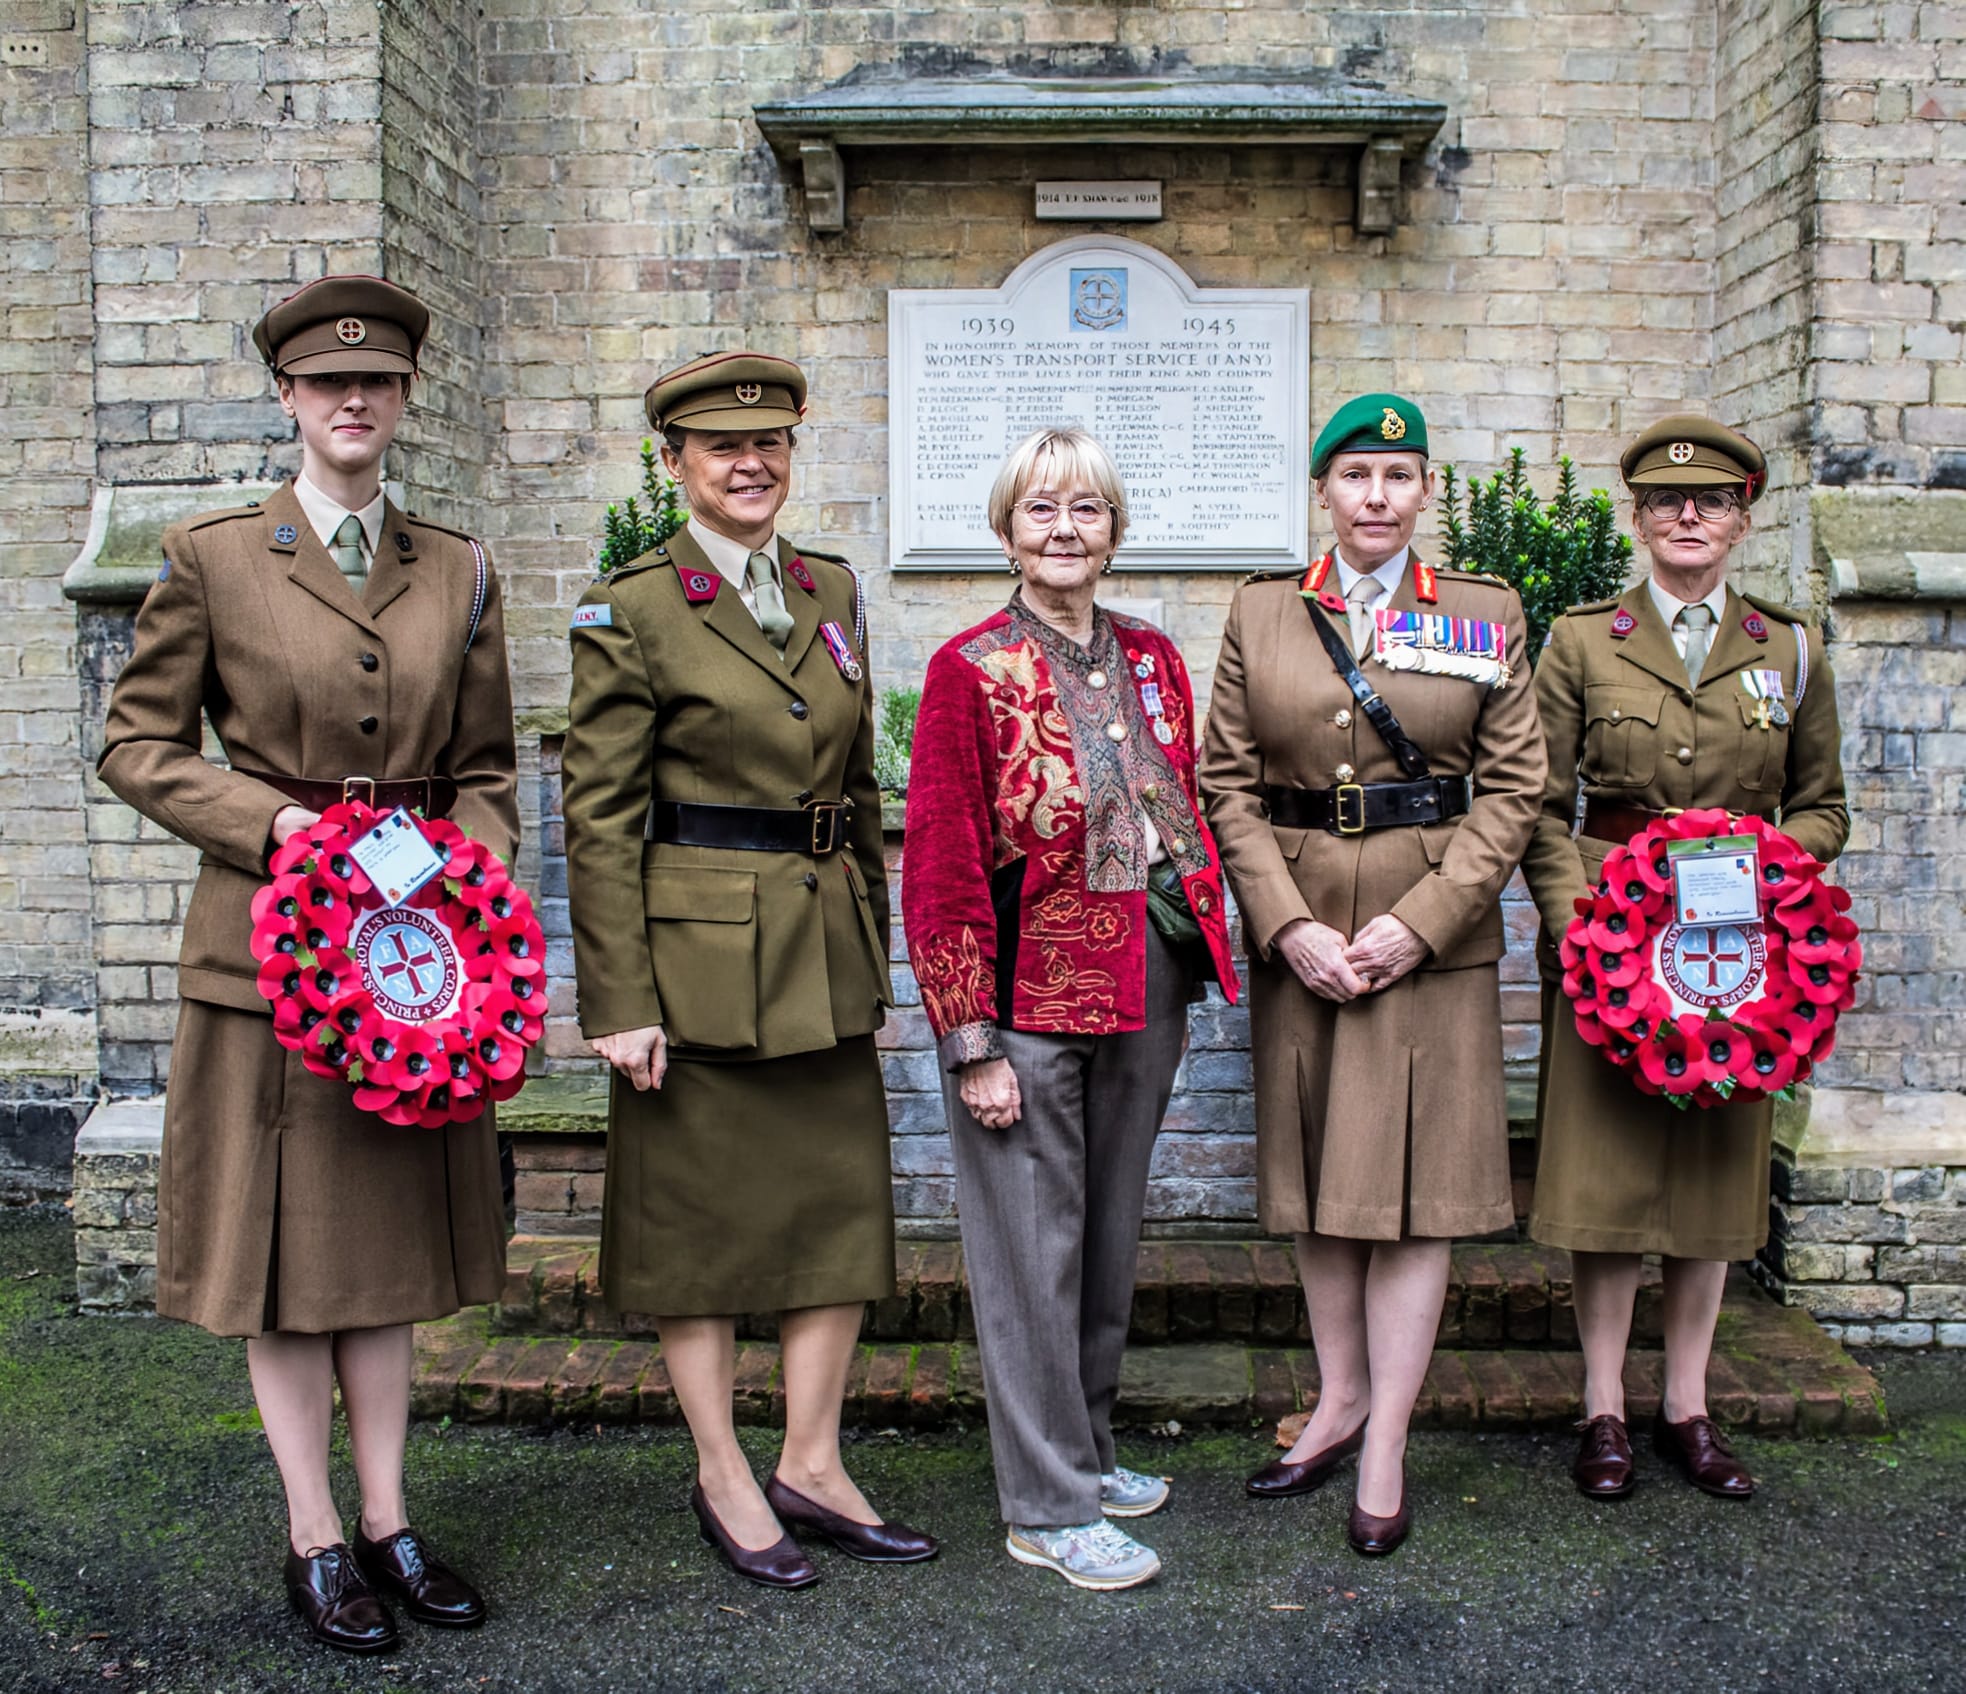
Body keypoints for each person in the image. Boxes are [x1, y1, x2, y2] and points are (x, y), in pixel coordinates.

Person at [98, 275, 517, 1653]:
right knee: (287, 1265)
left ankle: (392, 1520)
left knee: (382, 1261)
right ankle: (314, 1535)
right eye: (329, 383)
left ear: (403, 401)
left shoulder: (456, 567)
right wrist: (276, 824)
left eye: (379, 384)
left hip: (411, 969)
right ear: (287, 396)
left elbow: (486, 769)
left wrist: (464, 866)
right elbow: (137, 747)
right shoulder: (213, 554)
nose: (354, 402)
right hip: (271, 963)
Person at [561, 351, 936, 1590]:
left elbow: (855, 790)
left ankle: (814, 1460)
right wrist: (616, 1001)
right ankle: (724, 1468)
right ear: (674, 463)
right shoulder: (635, 605)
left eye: (769, 443)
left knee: (837, 1215)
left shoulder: (830, 588)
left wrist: (875, 956)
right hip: (698, 966)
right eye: (723, 447)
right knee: (700, 1228)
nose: (750, 463)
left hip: (822, 951)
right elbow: (600, 815)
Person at [1200, 394, 1544, 1557]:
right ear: (1324, 491)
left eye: (1399, 475)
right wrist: (1285, 923)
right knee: (1318, 1181)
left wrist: (1426, 921)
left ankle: (1386, 1435)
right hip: (1305, 931)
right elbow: (1225, 787)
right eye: (1356, 475)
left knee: (1416, 1191)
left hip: (1427, 939)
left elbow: (1512, 791)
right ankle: (1336, 1396)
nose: (1378, 497)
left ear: (1426, 492)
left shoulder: (1484, 614)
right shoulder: (1262, 612)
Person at [903, 426, 1242, 1592]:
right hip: (1025, 997)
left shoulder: (1152, 656)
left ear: (1113, 529)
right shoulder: (967, 668)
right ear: (1006, 533)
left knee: (1103, 1234)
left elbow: (1175, 811)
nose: (1064, 528)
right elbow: (942, 865)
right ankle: (1044, 1507)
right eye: (1041, 510)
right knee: (1028, 1249)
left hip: (1144, 975)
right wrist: (970, 1040)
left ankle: (1086, 1451)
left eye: (1085, 509)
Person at [1522, 416, 1848, 1503]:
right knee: (1605, 1181)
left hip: (1738, 954)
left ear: (1741, 518)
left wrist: (1757, 865)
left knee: (1710, 1184)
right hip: (1615, 945)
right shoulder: (1580, 640)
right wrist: (1578, 926)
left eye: (1709, 501)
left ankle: (1689, 1406)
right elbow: (1539, 802)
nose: (1687, 517)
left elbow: (1821, 808)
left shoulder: (1789, 647)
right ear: (1641, 517)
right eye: (1667, 502)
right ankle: (1606, 1405)